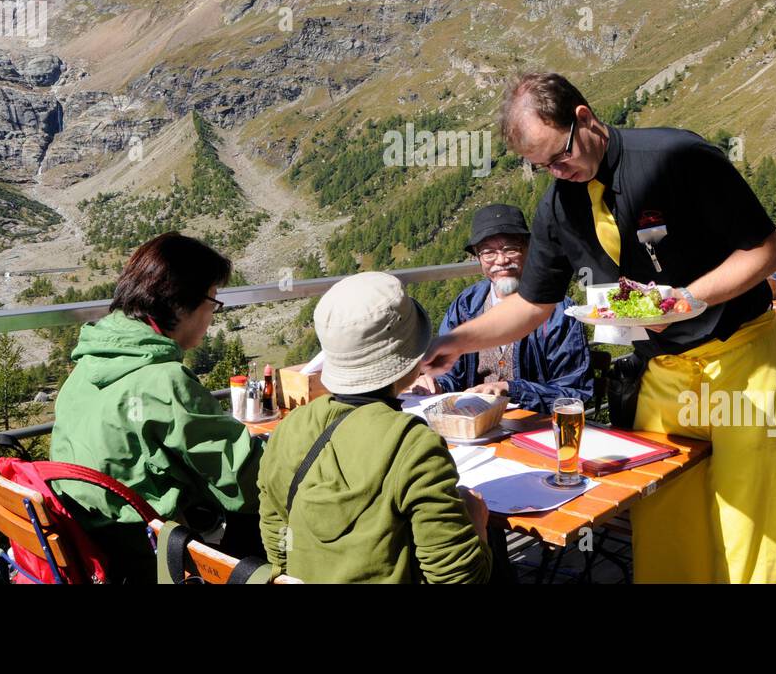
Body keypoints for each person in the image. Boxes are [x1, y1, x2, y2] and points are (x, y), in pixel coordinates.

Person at [423, 73, 776, 584]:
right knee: (665, 508)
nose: (556, 173)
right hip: (662, 367)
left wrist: (689, 299)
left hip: (739, 353)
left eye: (559, 156)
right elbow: (533, 304)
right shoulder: (559, 205)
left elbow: (765, 252)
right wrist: (450, 343)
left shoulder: (678, 158)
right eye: (541, 167)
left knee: (753, 511)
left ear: (584, 118)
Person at [50, 232, 262, 582]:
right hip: (151, 559)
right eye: (213, 301)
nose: (212, 316)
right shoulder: (164, 381)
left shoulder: (88, 365)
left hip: (99, 545)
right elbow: (246, 481)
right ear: (181, 303)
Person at [258, 271, 492, 583]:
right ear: (409, 356)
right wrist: (476, 520)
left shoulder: (292, 426)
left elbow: (278, 542)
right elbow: (459, 579)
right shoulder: (413, 445)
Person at [416, 204, 592, 412]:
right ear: (478, 258)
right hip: (476, 427)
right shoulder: (465, 305)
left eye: (511, 248)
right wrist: (434, 384)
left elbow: (576, 393)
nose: (501, 260)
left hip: (535, 428)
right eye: (488, 252)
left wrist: (511, 390)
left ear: (530, 249)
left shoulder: (560, 311)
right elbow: (451, 376)